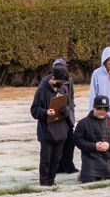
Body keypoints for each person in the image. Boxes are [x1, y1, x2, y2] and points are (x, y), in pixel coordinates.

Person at [30, 59, 76, 187]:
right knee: (46, 159)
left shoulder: (63, 89)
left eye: (63, 82)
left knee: (57, 158)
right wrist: (45, 113)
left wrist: (66, 111)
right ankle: (44, 182)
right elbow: (34, 110)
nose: (60, 84)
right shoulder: (41, 90)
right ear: (53, 78)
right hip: (46, 130)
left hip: (61, 129)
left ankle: (52, 180)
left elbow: (69, 105)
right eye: (59, 81)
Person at [74, 95, 110, 183]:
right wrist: (94, 146)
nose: (102, 112)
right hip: (92, 159)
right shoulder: (83, 123)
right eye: (99, 109)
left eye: (105, 109)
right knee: (89, 181)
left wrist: (109, 145)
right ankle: (83, 173)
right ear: (94, 107)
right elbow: (78, 140)